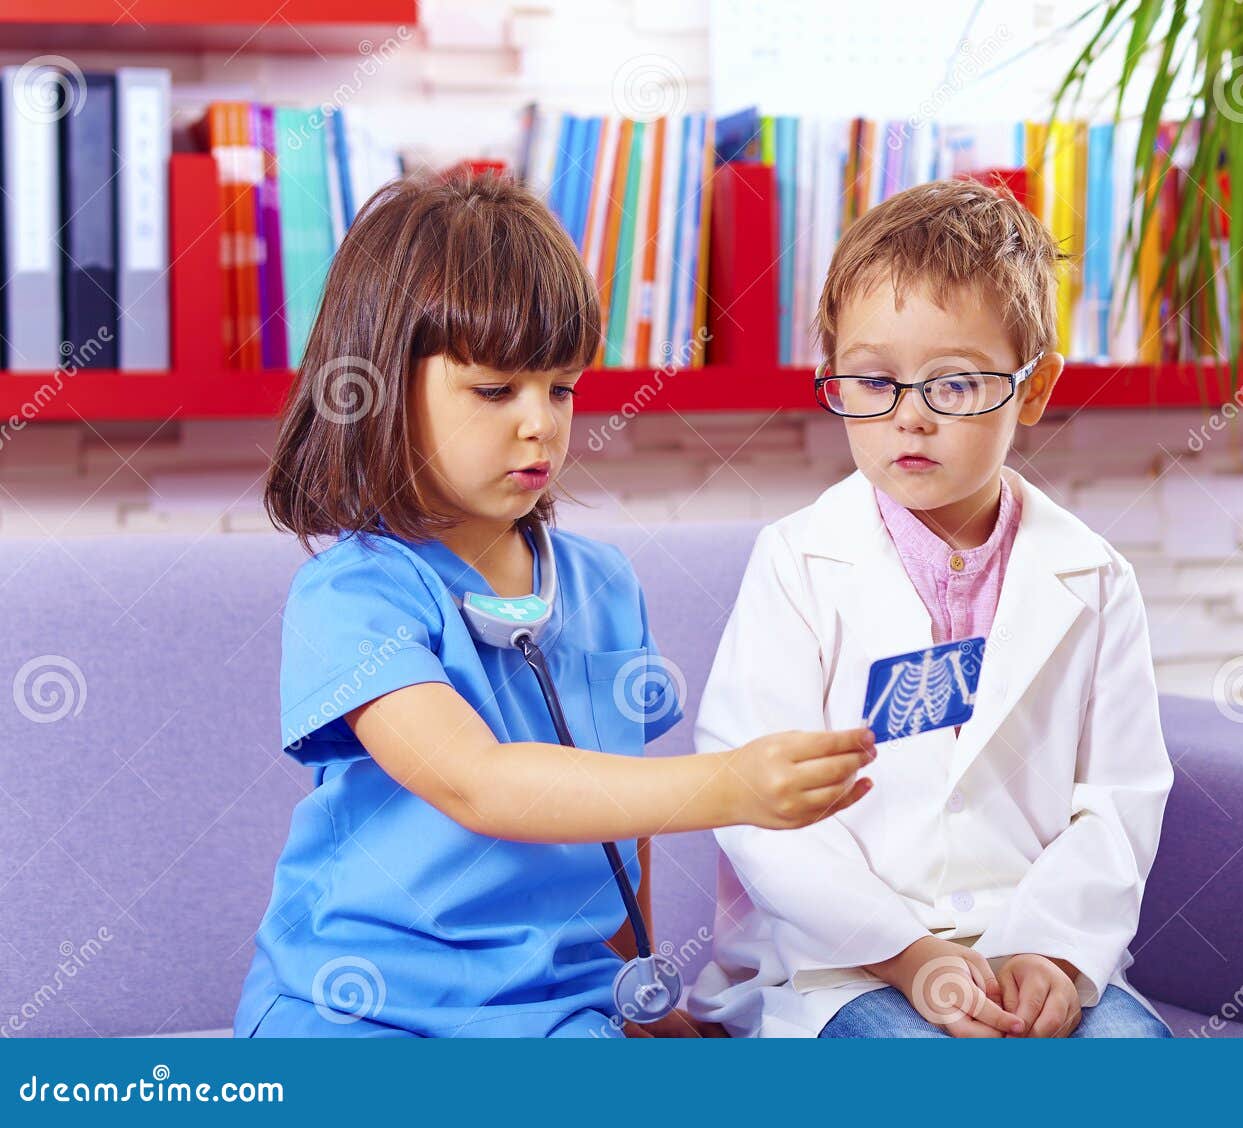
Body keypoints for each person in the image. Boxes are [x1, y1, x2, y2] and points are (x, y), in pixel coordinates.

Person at [235, 173, 874, 1038]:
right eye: (495, 391)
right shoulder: (353, 595)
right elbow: (477, 783)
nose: (540, 423)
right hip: (360, 1012)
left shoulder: (603, 585)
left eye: (562, 388)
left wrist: (632, 981)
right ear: (381, 387)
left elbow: (625, 807)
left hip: (550, 1010)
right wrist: (729, 785)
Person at [688, 179, 1174, 1038]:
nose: (908, 417)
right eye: (873, 380)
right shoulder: (797, 565)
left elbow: (1118, 801)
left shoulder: (1095, 579)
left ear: (1034, 389)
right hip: (847, 961)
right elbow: (758, 805)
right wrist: (909, 954)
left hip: (1030, 948)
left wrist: (1053, 954)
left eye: (953, 385)